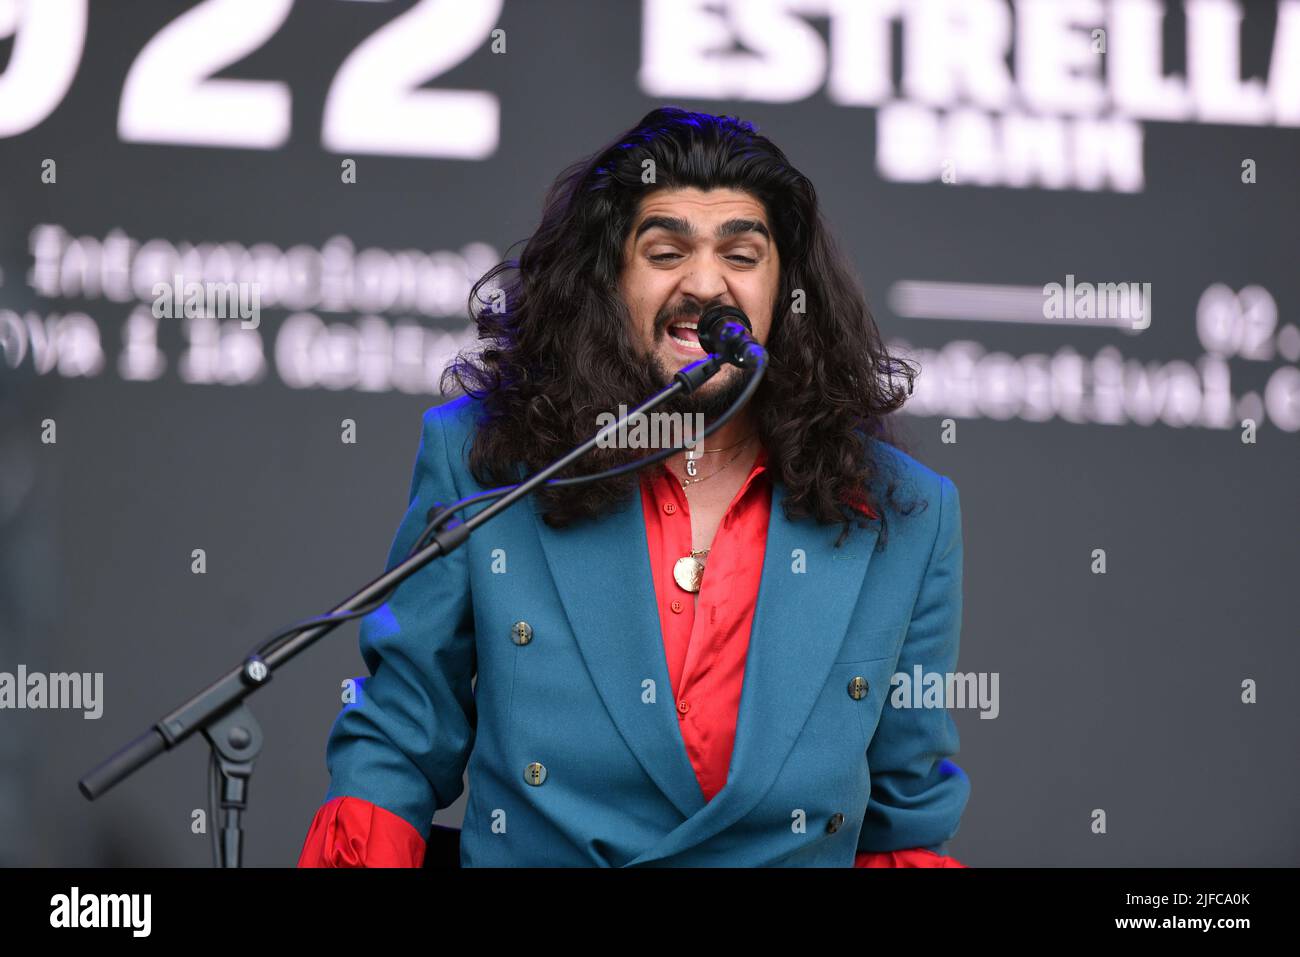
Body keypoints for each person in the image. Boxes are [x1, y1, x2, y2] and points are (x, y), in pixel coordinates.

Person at [298, 107, 970, 867]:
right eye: (666, 250)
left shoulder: (902, 514)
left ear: (787, 293)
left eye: (743, 255)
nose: (706, 283)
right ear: (608, 280)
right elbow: (397, 737)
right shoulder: (490, 457)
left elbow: (903, 822)